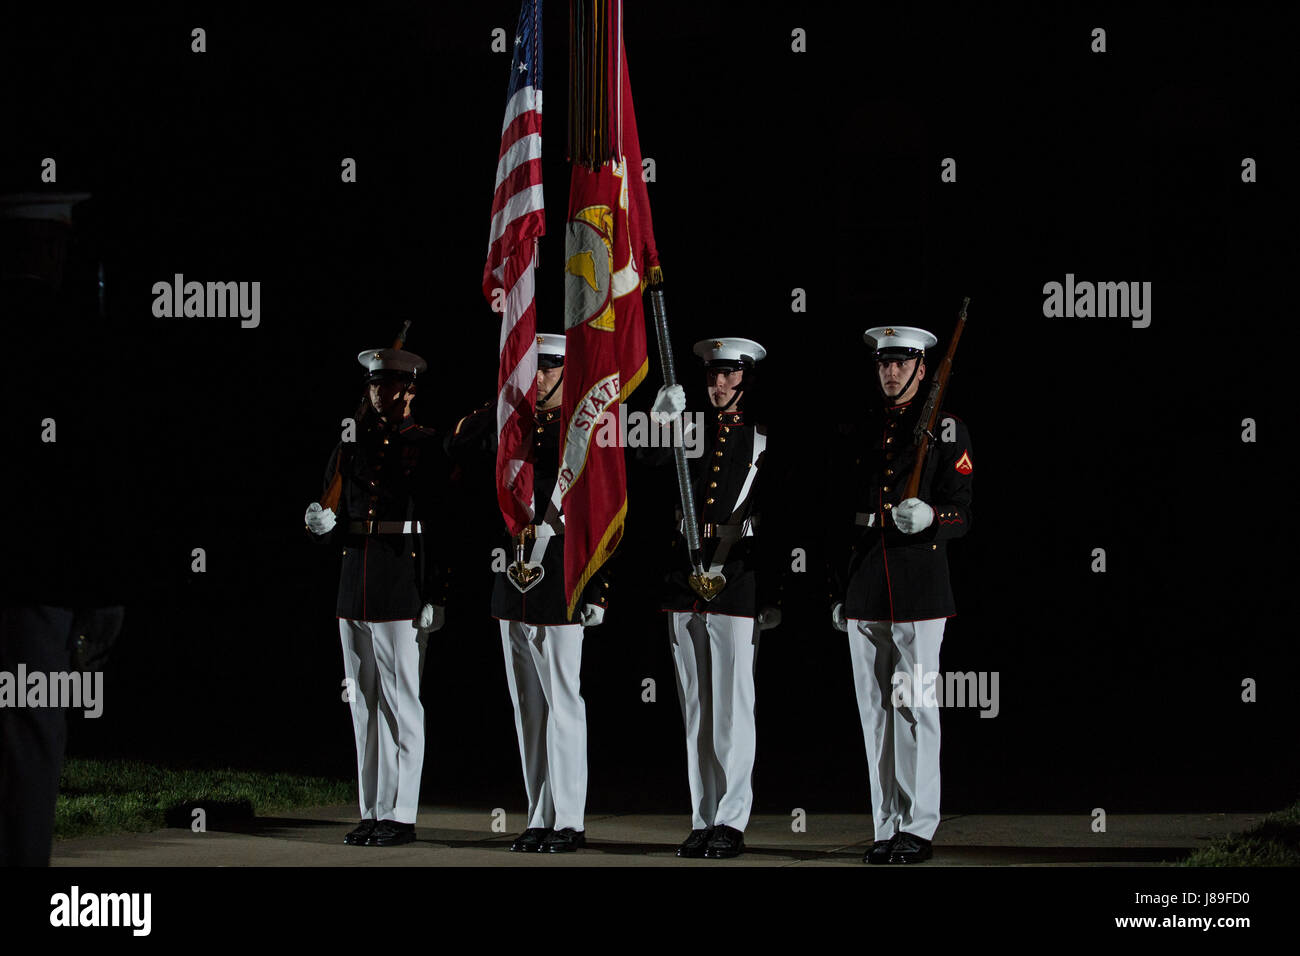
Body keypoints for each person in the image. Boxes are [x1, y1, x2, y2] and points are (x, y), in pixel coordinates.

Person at [448, 333, 608, 853]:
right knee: (527, 708)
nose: (534, 379)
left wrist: (598, 587)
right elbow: (459, 445)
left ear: (566, 372)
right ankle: (540, 815)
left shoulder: (583, 432)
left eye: (545, 370)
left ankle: (570, 819)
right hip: (512, 575)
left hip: (562, 573)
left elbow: (607, 512)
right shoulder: (510, 424)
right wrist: (499, 399)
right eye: (528, 369)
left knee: (564, 702)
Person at [829, 326, 973, 864]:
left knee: (915, 708)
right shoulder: (866, 426)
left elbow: (965, 510)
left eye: (901, 363)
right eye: (883, 363)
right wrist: (838, 588)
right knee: (875, 714)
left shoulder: (946, 427)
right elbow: (841, 513)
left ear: (921, 369)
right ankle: (886, 824)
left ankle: (919, 826)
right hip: (866, 583)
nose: (890, 372)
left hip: (919, 585)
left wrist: (935, 515)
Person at [304, 345, 449, 847]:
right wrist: (318, 524)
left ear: (410, 390)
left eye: (390, 384)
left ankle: (402, 811)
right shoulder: (350, 445)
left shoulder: (425, 443)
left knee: (401, 700)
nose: (381, 392)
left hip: (398, 578)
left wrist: (436, 590)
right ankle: (372, 809)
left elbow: (442, 524)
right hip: (354, 580)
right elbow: (331, 505)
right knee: (362, 703)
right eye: (374, 384)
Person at [653, 337, 780, 860]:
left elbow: (779, 519)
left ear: (745, 378)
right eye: (711, 377)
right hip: (685, 579)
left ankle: (731, 818)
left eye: (727, 376)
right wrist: (660, 423)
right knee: (697, 710)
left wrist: (773, 593)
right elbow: (640, 472)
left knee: (732, 709)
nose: (718, 385)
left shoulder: (761, 438)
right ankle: (702, 816)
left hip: (736, 576)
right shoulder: (686, 433)